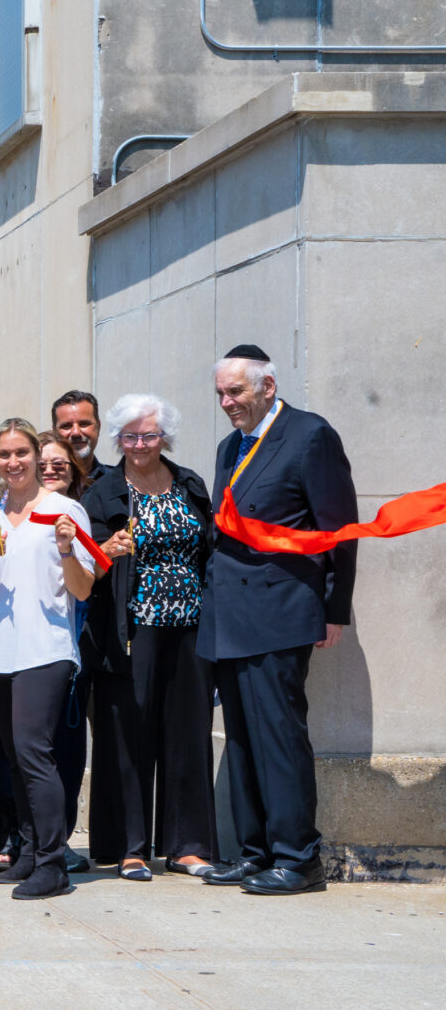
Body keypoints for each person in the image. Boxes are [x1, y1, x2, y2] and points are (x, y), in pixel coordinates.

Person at [199, 345, 356, 896]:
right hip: (229, 618)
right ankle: (255, 851)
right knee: (240, 740)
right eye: (220, 393)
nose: (226, 402)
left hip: (281, 613)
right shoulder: (229, 446)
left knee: (279, 739)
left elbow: (339, 528)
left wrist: (335, 609)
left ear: (268, 385)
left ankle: (298, 857)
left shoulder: (310, 435)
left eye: (235, 391)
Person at [81, 394, 218, 883]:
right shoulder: (102, 493)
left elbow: (211, 548)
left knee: (187, 733)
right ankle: (131, 847)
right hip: (132, 629)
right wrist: (107, 548)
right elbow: (83, 560)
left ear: (166, 438)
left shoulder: (189, 484)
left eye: (150, 435)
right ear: (118, 439)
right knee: (129, 737)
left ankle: (188, 846)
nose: (140, 444)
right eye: (131, 436)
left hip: (191, 627)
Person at [0, 418, 98, 900]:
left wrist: (67, 549)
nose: (14, 462)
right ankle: (27, 852)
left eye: (22, 452)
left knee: (34, 753)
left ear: (37, 457)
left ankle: (53, 863)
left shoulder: (64, 511)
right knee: (15, 759)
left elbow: (83, 587)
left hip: (45, 649)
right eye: (4, 455)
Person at [52, 391, 103, 480]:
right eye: (66, 426)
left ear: (98, 427)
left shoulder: (119, 482)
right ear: (54, 431)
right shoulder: (39, 485)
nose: (76, 433)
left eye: (84, 424)